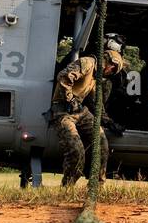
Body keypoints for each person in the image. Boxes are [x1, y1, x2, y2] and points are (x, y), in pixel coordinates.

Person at [52, 49, 126, 186]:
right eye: (113, 67)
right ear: (107, 61)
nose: (111, 71)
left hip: (80, 111)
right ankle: (67, 187)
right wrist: (70, 99)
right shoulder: (87, 63)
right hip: (63, 111)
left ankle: (96, 186)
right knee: (76, 151)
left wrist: (108, 122)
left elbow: (96, 102)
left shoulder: (94, 77)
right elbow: (64, 77)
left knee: (102, 143)